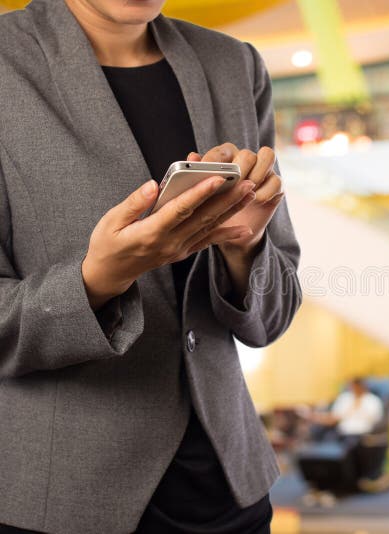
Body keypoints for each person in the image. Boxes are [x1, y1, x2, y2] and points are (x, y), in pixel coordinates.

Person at [0, 1, 302, 533]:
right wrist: (98, 280)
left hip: (229, 490)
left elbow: (273, 316)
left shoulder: (234, 64)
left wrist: (245, 247)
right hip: (66, 501)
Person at [308, 378, 385, 437]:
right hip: (343, 433)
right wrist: (317, 417)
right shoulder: (345, 398)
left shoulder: (372, 400)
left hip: (363, 433)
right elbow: (335, 417)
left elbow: (376, 418)